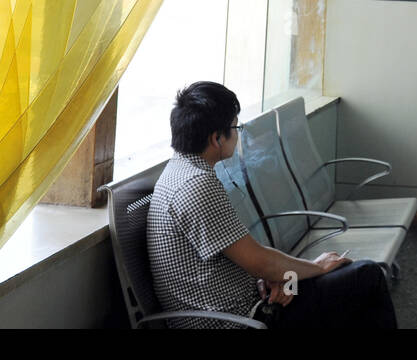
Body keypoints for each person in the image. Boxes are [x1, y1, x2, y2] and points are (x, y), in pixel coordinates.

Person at [147, 81, 397, 328]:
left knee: (333, 281)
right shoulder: (197, 186)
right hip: (242, 320)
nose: (237, 133)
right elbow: (261, 262)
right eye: (236, 127)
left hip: (254, 299)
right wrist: (317, 267)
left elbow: (247, 262)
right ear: (216, 139)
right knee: (367, 276)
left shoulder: (178, 173)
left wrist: (279, 278)